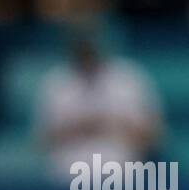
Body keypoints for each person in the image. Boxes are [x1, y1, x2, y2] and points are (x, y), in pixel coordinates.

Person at [34, 27, 163, 181]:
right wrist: (81, 127)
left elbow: (155, 136)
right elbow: (40, 141)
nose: (88, 54)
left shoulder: (130, 78)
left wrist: (112, 124)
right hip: (66, 174)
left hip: (122, 173)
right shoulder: (54, 82)